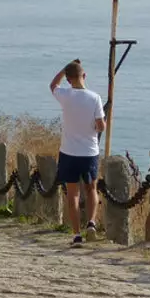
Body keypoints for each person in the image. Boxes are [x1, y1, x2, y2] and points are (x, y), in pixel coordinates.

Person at [49, 59, 106, 246]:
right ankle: (91, 222)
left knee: (72, 194)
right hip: (89, 151)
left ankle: (76, 234)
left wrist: (63, 69)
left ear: (68, 79)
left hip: (68, 151)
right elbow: (101, 126)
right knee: (91, 189)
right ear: (84, 75)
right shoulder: (95, 97)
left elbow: (52, 85)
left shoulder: (65, 95)